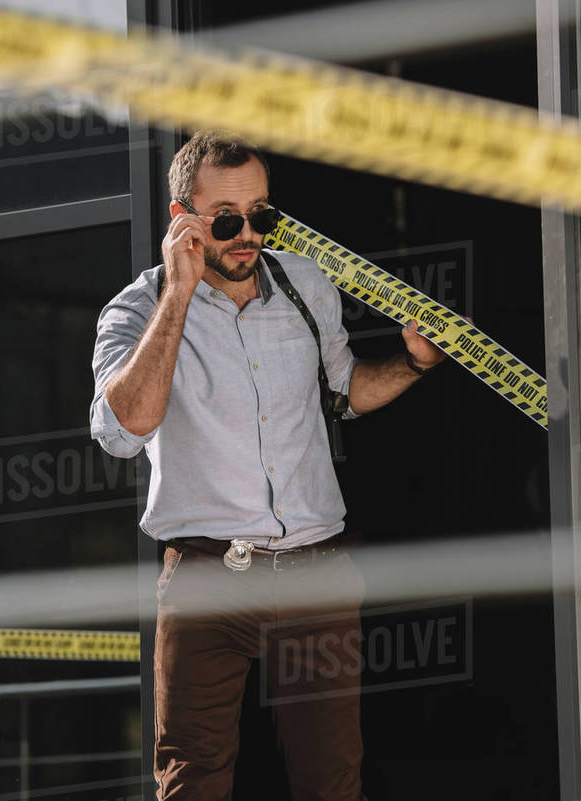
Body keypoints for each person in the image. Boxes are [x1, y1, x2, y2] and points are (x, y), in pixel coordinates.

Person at [89, 131, 446, 801]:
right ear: (182, 221)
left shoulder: (305, 283)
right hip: (205, 579)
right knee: (191, 783)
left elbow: (346, 391)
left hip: (317, 574)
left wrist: (415, 363)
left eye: (263, 214)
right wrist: (180, 294)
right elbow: (123, 429)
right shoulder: (136, 309)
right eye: (227, 218)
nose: (247, 232)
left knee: (333, 784)